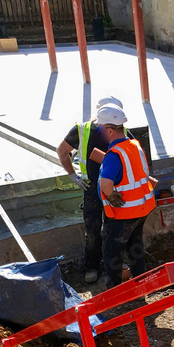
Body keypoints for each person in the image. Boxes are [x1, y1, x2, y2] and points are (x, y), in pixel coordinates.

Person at [56, 95, 128, 285]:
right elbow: (62, 151)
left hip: (113, 188)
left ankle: (111, 266)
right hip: (93, 188)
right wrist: (74, 176)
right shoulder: (82, 130)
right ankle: (92, 267)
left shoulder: (123, 131)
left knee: (112, 228)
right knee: (94, 229)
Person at [96, 103, 157, 289]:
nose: (99, 132)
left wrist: (112, 196)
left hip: (123, 213)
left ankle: (114, 290)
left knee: (112, 252)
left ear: (110, 130)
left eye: (101, 129)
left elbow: (106, 184)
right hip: (142, 209)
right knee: (135, 246)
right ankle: (141, 282)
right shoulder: (135, 145)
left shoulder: (114, 155)